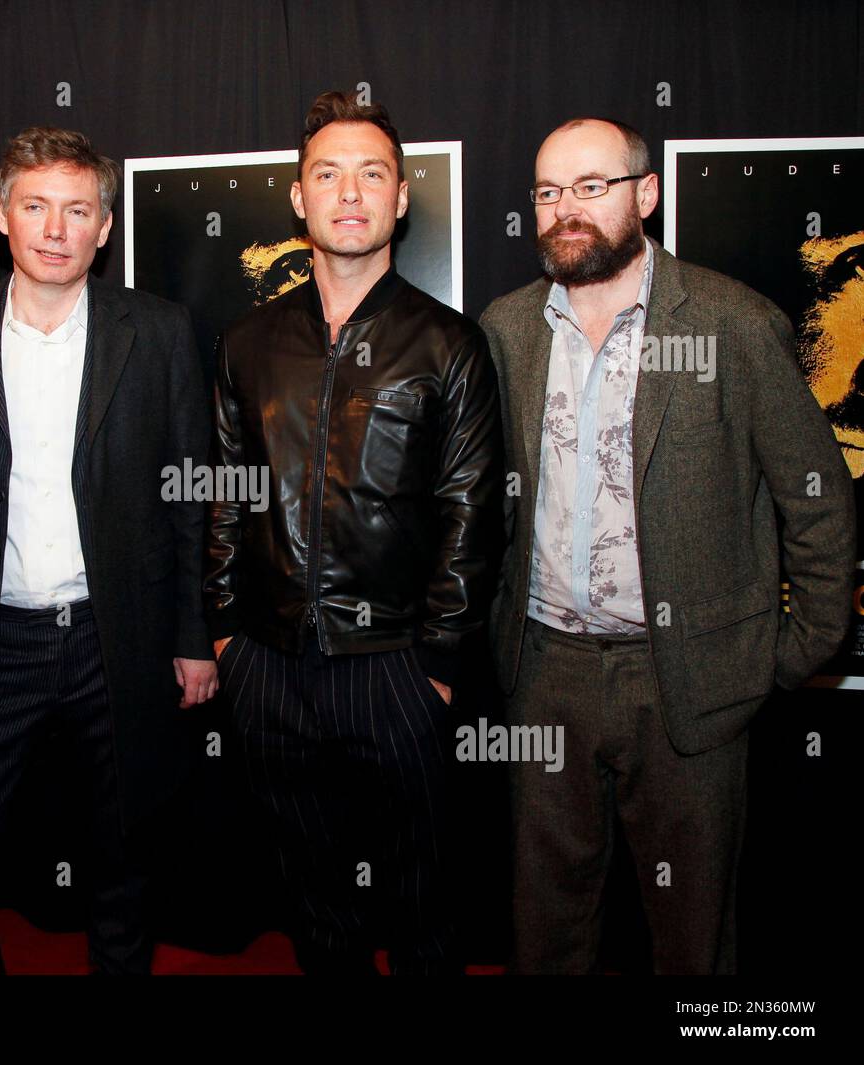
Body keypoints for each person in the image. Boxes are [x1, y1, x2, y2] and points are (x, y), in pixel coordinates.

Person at [481, 117, 856, 974]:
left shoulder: (731, 323)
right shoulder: (506, 331)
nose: (564, 209)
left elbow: (820, 503)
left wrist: (789, 655)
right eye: (547, 192)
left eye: (590, 187)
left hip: (689, 683)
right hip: (546, 675)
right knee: (545, 930)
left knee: (693, 940)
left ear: (646, 195)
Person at [0, 126, 214, 975]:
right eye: (35, 206)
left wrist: (193, 634)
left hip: (121, 635)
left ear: (105, 227)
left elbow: (192, 496)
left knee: (125, 857)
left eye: (78, 210)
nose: (55, 228)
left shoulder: (160, 330)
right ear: (4, 214)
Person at [204, 91, 503, 975]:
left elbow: (471, 513)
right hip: (269, 669)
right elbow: (223, 497)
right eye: (327, 173)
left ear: (400, 196)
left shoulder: (449, 345)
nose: (349, 192)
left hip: (399, 673)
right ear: (298, 198)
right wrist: (226, 638)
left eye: (371, 173)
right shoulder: (247, 342)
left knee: (422, 907)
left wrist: (437, 671)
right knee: (314, 903)